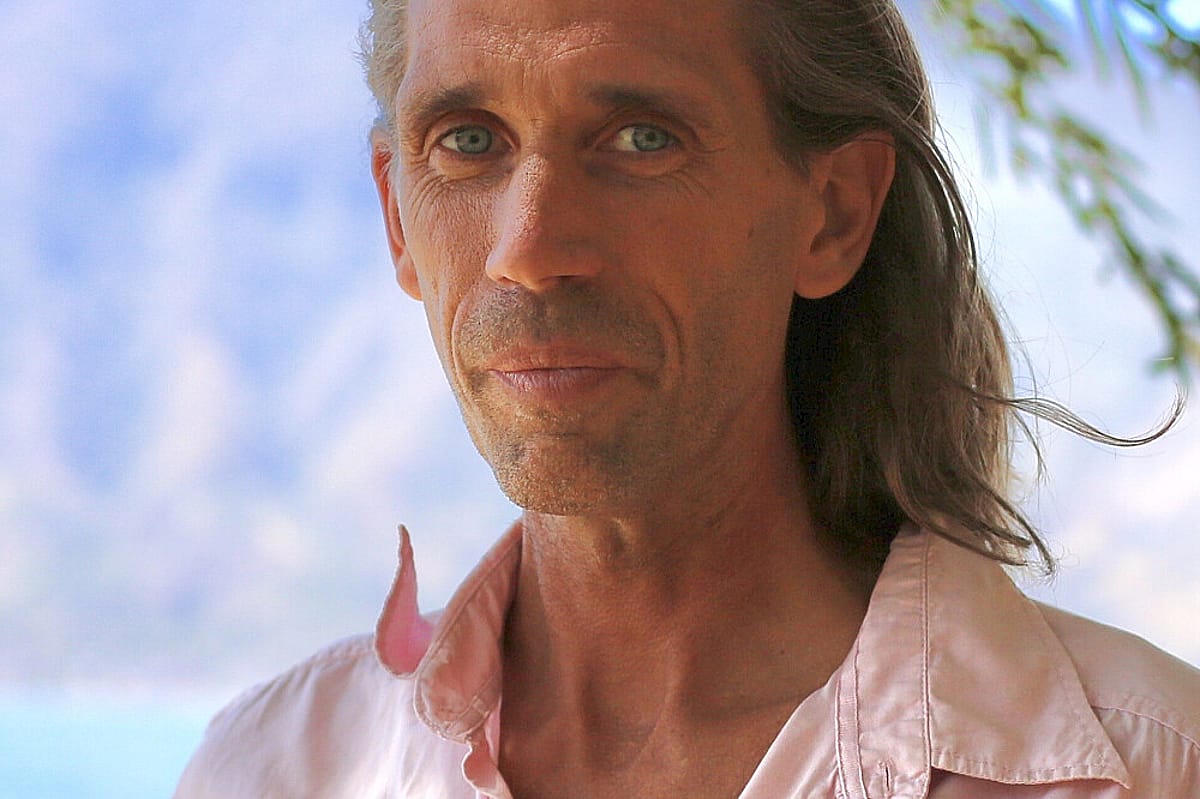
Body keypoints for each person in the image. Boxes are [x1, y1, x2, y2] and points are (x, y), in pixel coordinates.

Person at [174, 0, 1200, 796]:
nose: (530, 252)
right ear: (398, 217)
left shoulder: (1144, 771)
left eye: (639, 139)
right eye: (470, 141)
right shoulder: (276, 770)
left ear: (835, 213)